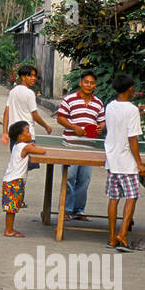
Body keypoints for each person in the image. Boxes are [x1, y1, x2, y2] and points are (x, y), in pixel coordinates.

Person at [104, 72, 145, 251]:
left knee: (113, 198)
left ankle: (111, 238)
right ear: (131, 88)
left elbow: (119, 120)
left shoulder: (110, 106)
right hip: (126, 162)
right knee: (132, 196)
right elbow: (132, 139)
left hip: (112, 159)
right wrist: (139, 163)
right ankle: (122, 234)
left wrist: (137, 112)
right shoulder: (131, 110)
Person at [55, 70, 105, 220]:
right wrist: (74, 127)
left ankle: (78, 210)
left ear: (95, 85)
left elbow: (102, 121)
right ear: (80, 83)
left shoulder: (98, 103)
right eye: (86, 82)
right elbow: (60, 118)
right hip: (70, 145)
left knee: (84, 180)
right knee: (69, 178)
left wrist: (101, 127)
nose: (89, 85)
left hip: (89, 146)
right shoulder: (69, 99)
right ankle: (66, 210)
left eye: (92, 83)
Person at [3, 121, 47, 237]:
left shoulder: (18, 145)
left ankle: (9, 229)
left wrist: (30, 145)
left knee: (12, 207)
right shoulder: (24, 147)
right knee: (12, 208)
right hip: (14, 181)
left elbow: (29, 147)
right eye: (27, 131)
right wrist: (32, 146)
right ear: (20, 136)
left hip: (12, 180)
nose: (30, 133)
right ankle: (8, 230)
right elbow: (42, 151)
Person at [1, 64, 53, 146]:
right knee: (27, 158)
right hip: (27, 135)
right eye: (30, 76)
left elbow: (6, 112)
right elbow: (34, 115)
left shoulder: (13, 91)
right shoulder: (30, 93)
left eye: (34, 76)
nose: (33, 78)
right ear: (23, 77)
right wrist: (46, 126)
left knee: (16, 157)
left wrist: (5, 132)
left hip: (14, 135)